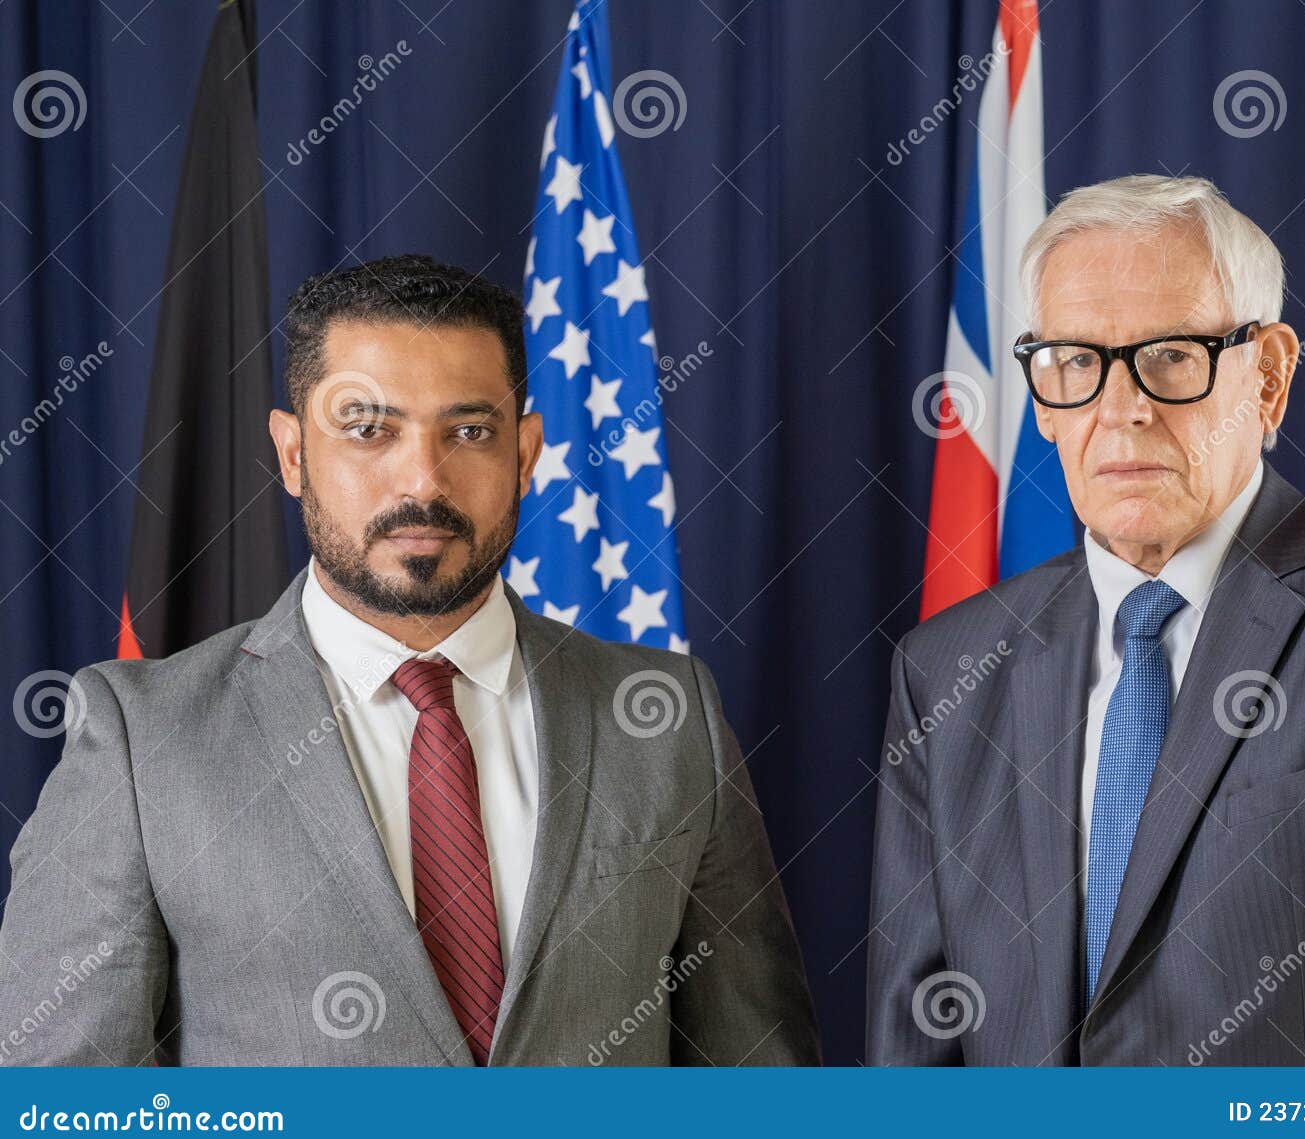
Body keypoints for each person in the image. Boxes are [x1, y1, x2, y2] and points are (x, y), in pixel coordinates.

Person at [0, 255, 820, 1067]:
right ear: (291, 454)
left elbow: (759, 1086)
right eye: (368, 430)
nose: (423, 480)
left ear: (526, 453)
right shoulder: (145, 737)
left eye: (469, 431)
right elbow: (57, 1106)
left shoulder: (668, 715)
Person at [867, 175, 1305, 1066]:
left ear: (1272, 376)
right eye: (1077, 361)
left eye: (1171, 354)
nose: (1121, 406)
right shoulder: (947, 667)